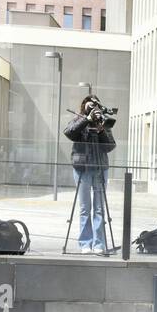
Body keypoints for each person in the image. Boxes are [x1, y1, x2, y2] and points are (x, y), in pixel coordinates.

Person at [63, 93, 116, 255]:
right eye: (90, 105)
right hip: (82, 169)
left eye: (95, 106)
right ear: (84, 107)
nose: (93, 108)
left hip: (100, 168)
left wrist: (101, 130)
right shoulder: (79, 121)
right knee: (85, 208)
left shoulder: (102, 123)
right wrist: (86, 118)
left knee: (99, 208)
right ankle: (85, 243)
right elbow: (69, 132)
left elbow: (110, 146)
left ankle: (99, 243)